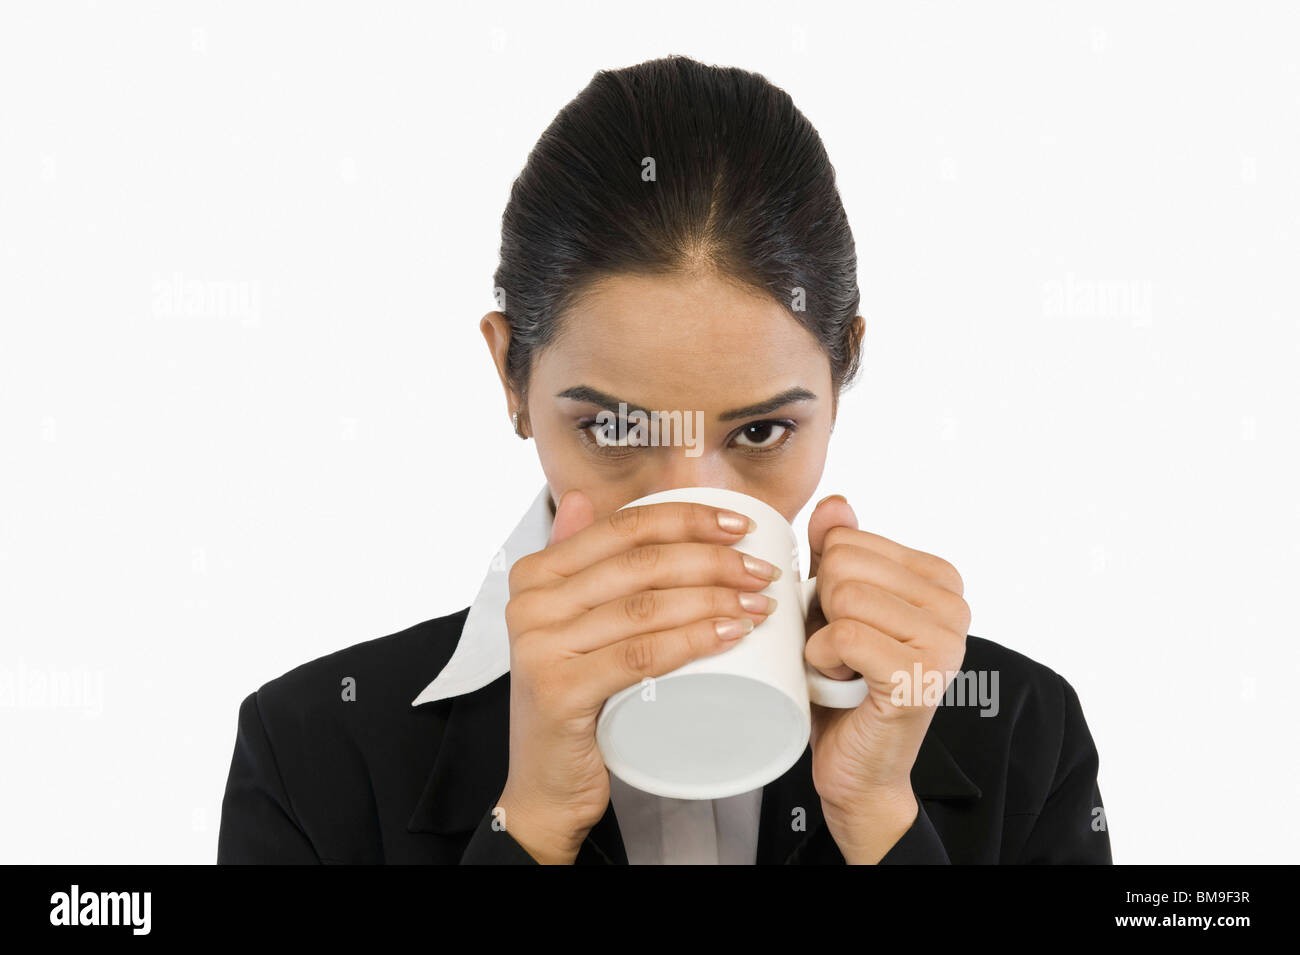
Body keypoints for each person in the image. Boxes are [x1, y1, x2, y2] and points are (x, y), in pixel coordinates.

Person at [217, 54, 1112, 865]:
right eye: (614, 429)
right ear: (510, 375)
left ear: (840, 377)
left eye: (760, 433)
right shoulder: (311, 755)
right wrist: (527, 824)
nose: (690, 506)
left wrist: (881, 821)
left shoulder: (1022, 736)